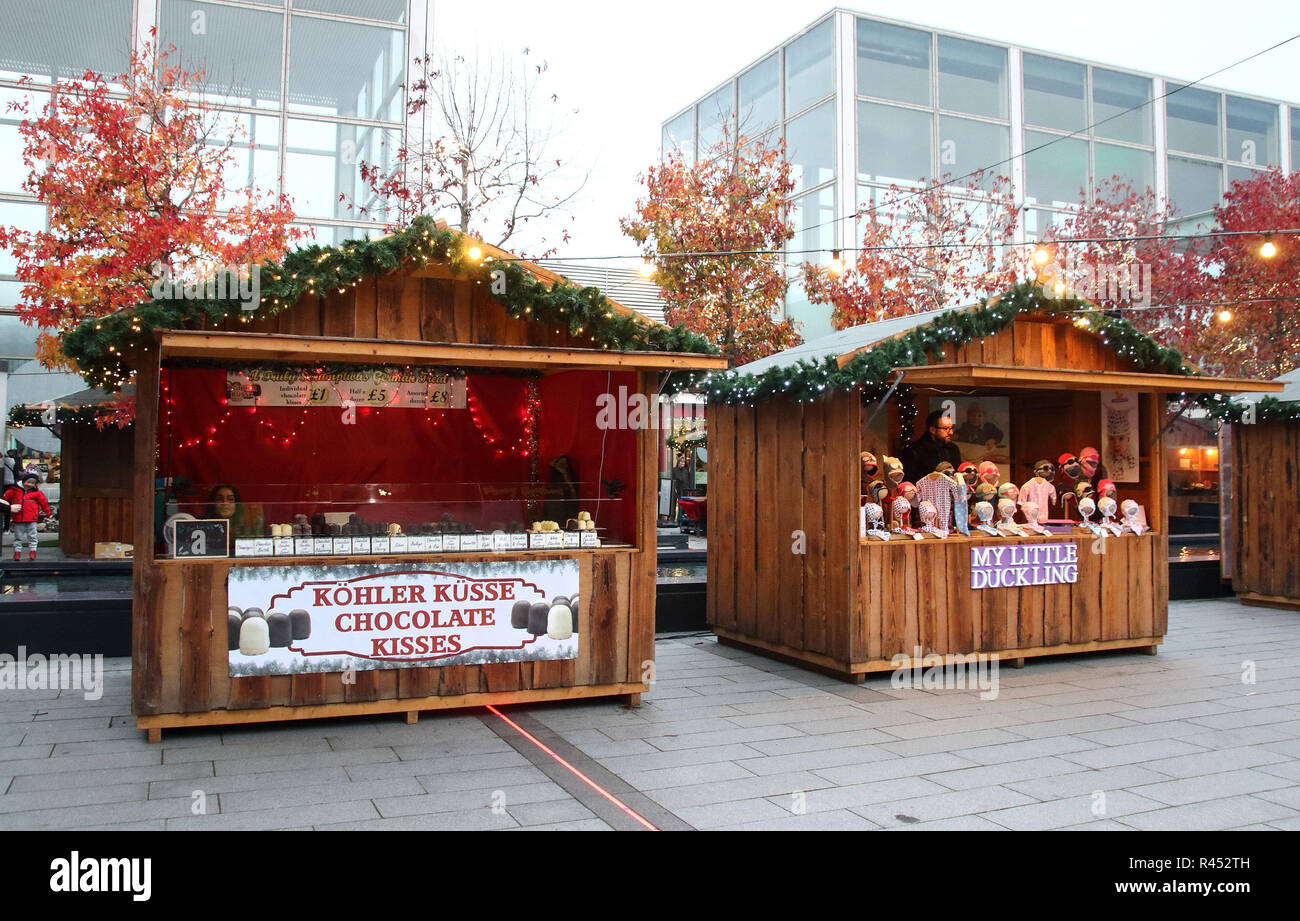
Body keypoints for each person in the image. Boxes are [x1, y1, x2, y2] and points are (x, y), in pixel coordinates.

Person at [900, 410, 963, 485]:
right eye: (946, 428)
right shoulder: (914, 451)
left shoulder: (953, 449)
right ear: (932, 430)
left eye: (952, 428)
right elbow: (908, 484)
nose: (951, 432)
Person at [3, 469, 51, 561]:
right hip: (18, 518)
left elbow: (43, 503)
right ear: (23, 481)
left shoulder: (36, 493)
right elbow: (5, 499)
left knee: (32, 536)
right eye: (28, 482)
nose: (30, 485)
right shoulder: (13, 490)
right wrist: (6, 508)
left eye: (33, 483)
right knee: (18, 537)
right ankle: (17, 552)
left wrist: (47, 512)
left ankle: (32, 551)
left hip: (31, 518)